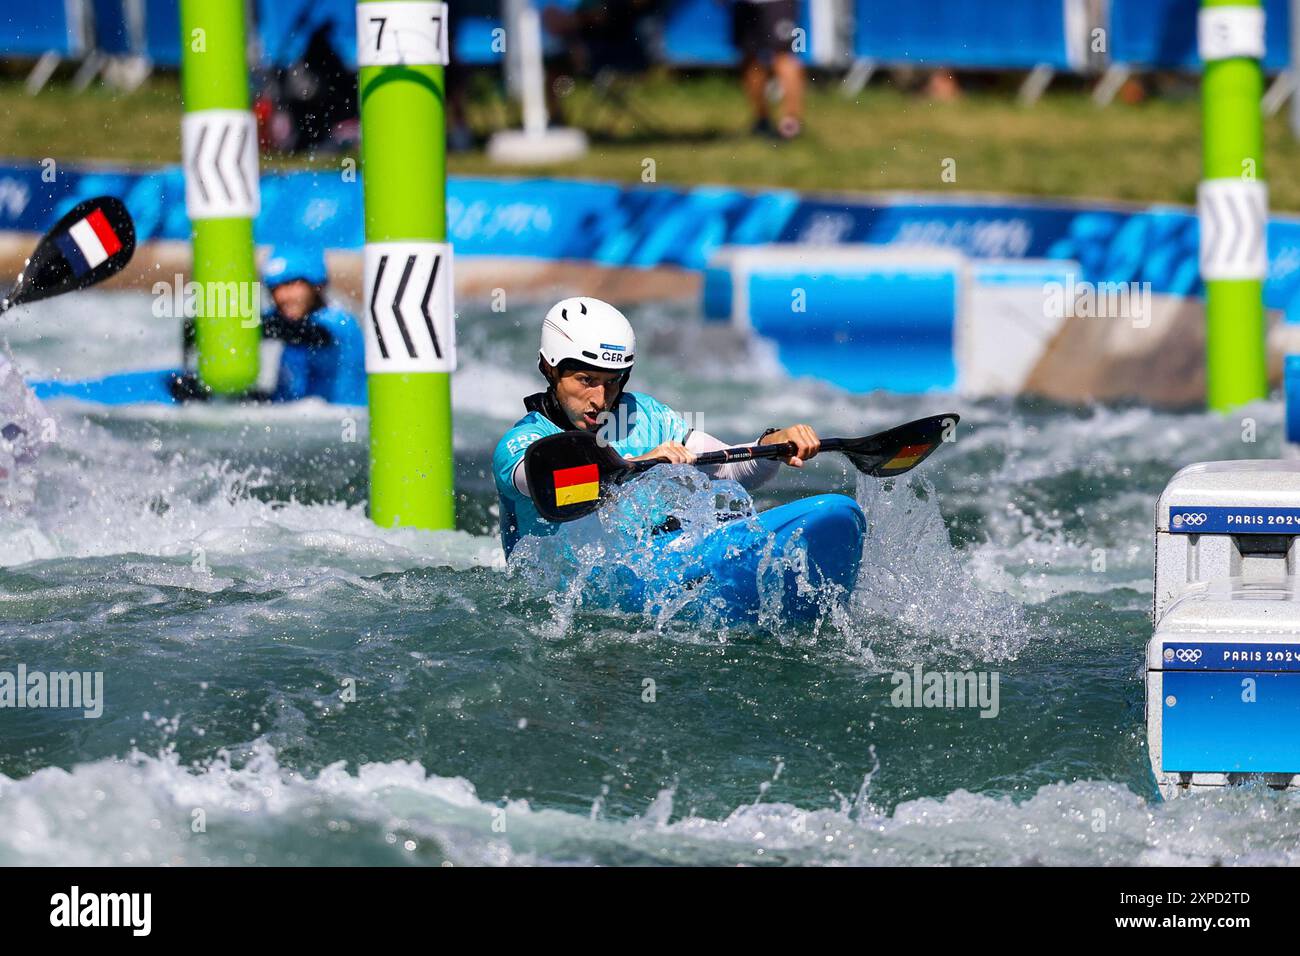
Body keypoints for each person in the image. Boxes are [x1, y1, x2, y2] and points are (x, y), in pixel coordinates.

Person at [492, 296, 820, 557]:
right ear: (550, 370)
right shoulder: (521, 444)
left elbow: (728, 469)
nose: (600, 398)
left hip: (645, 560)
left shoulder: (644, 415)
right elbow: (552, 487)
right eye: (586, 380)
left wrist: (771, 445)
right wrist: (640, 465)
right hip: (555, 598)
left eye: (613, 382)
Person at [259, 246, 367, 405]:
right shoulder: (282, 320)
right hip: (300, 421)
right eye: (276, 288)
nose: (283, 296)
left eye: (291, 284)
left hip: (343, 422)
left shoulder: (339, 321)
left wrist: (255, 329)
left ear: (316, 285)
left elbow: (313, 335)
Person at [731, 0, 805, 139]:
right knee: (750, 59)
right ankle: (763, 120)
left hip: (777, 3)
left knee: (783, 56)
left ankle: (790, 123)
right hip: (747, 5)